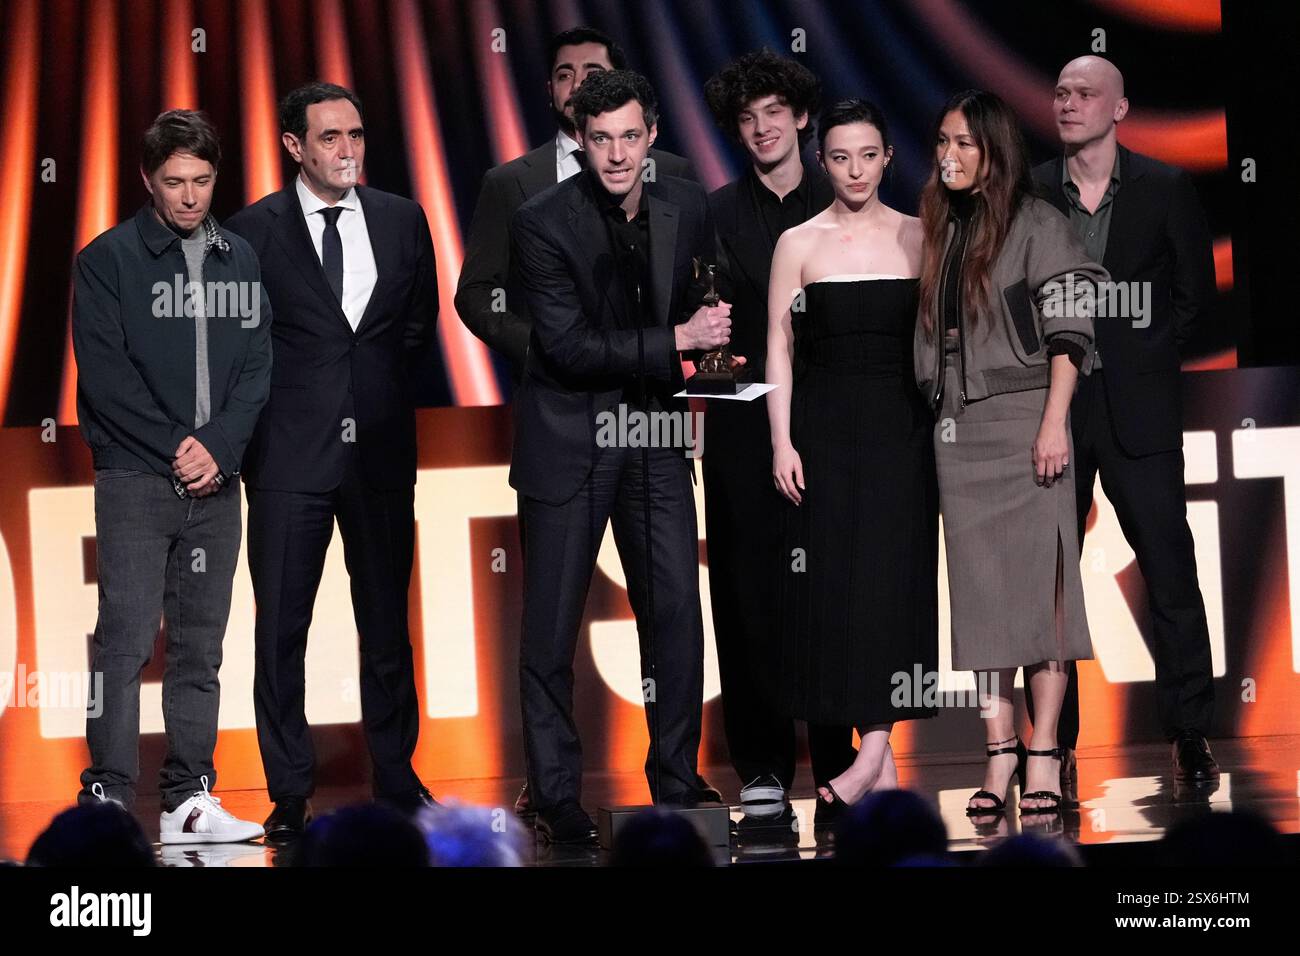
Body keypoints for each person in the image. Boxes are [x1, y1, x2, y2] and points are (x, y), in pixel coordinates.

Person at [510, 70, 730, 844]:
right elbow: (567, 349)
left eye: (629, 136)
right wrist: (678, 343)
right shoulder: (542, 221)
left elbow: (703, 307)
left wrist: (714, 343)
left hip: (657, 438)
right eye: (599, 139)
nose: (616, 154)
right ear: (578, 141)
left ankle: (675, 774)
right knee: (551, 629)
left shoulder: (687, 203)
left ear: (652, 135)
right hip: (570, 438)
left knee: (674, 609)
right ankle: (557, 794)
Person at [224, 81, 439, 842]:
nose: (347, 151)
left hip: (379, 451)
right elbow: (238, 348)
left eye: (355, 135)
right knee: (282, 627)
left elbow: (416, 328)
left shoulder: (403, 218)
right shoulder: (249, 232)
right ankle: (288, 790)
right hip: (288, 458)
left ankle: (397, 774)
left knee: (386, 625)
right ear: (293, 146)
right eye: (329, 138)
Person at [73, 109, 271, 843]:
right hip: (134, 479)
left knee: (201, 643)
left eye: (203, 181)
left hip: (218, 483)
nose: (190, 198)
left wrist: (216, 445)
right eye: (175, 183)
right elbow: (106, 378)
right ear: (148, 182)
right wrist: (176, 447)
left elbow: (258, 364)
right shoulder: (107, 261)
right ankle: (108, 800)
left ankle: (189, 798)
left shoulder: (240, 259)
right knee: (122, 641)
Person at [913, 89, 1105, 815]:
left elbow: (1071, 330)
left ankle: (1044, 753)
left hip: (1028, 423)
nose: (948, 156)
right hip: (958, 433)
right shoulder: (938, 225)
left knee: (1042, 602)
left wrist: (1055, 423)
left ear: (994, 151)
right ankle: (997, 759)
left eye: (963, 143)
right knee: (982, 604)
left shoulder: (1037, 224)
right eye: (941, 141)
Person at [1029, 55, 1219, 786]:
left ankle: (1190, 732)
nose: (1068, 103)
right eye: (1061, 93)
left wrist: (1140, 353)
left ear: (1119, 109)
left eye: (1085, 94)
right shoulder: (1033, 190)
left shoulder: (1165, 188)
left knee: (1170, 572)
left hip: (1139, 411)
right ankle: (1055, 741)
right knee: (1050, 582)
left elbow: (1193, 298)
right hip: (1056, 410)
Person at [767, 100, 939, 816]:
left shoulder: (923, 235)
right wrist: (781, 439)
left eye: (868, 155)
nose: (855, 170)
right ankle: (879, 767)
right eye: (840, 157)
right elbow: (779, 344)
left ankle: (870, 755)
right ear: (821, 160)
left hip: (904, 433)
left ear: (888, 157)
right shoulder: (797, 242)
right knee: (835, 592)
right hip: (824, 431)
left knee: (895, 590)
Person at [701, 50, 857, 822]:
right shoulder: (714, 215)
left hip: (833, 425)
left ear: (801, 117)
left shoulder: (847, 196)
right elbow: (704, 337)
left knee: (829, 591)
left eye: (774, 112)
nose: (762, 127)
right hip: (739, 429)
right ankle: (761, 765)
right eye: (746, 117)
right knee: (746, 592)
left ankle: (838, 759)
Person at [456, 25, 694, 384]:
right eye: (564, 74)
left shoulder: (674, 173)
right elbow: (477, 292)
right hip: (555, 397)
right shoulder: (507, 183)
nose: (578, 84)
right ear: (550, 91)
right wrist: (538, 348)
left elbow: (701, 275)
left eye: (592, 73)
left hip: (653, 391)